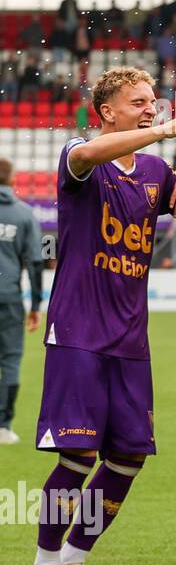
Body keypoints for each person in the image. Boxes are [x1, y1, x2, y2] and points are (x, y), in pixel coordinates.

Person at [30, 69, 176, 565]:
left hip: (131, 341)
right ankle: (45, 563)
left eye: (153, 101)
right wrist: (164, 132)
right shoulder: (79, 155)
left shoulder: (155, 170)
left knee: (129, 456)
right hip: (78, 333)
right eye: (138, 102)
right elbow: (89, 156)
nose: (150, 108)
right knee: (78, 456)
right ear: (106, 111)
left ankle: (76, 559)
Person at [0, 158, 43, 444]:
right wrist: (36, 305)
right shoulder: (24, 214)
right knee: (11, 360)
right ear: (13, 180)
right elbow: (36, 262)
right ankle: (3, 426)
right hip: (9, 296)